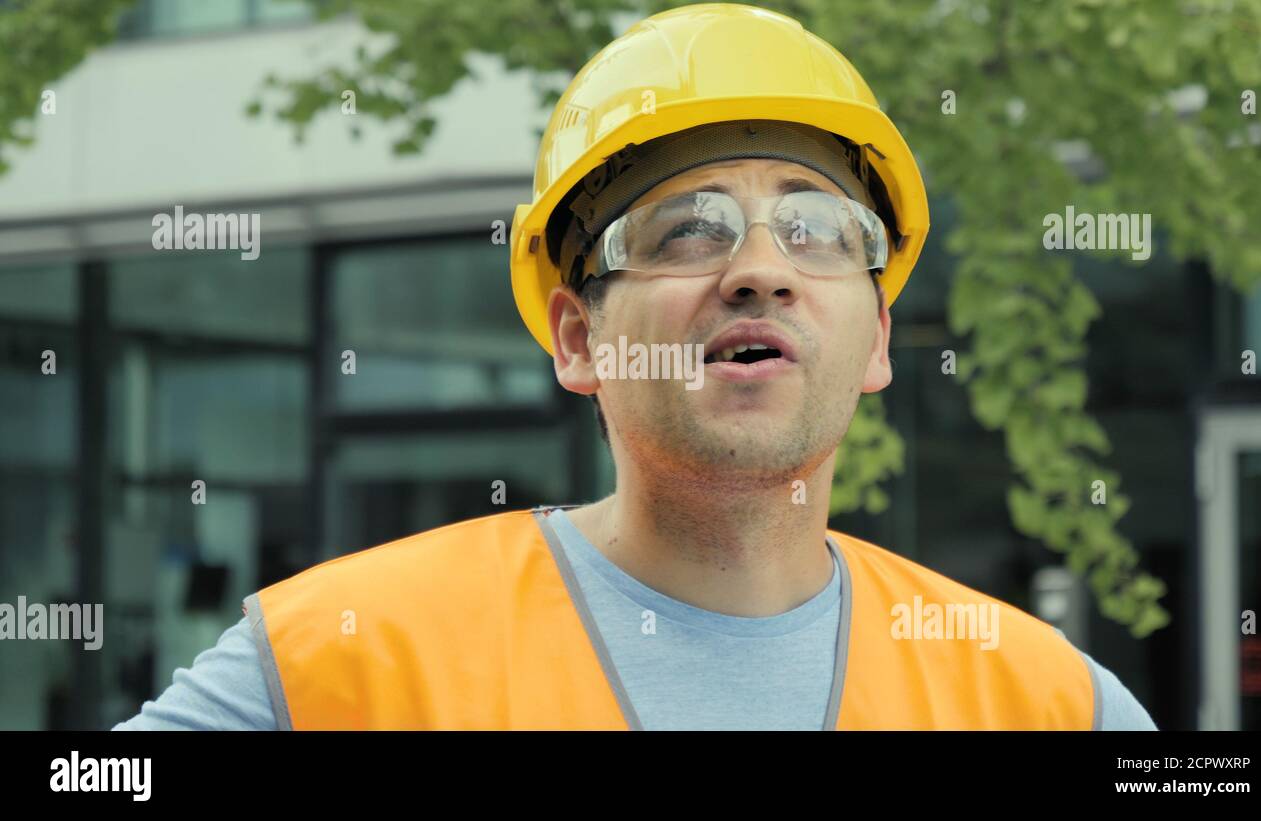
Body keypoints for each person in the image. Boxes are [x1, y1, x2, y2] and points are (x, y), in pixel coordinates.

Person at [116, 3, 1155, 731]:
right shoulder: (333, 662)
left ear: (877, 337)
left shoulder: (1046, 701)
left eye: (816, 227)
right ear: (577, 338)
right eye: (687, 229)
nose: (760, 269)